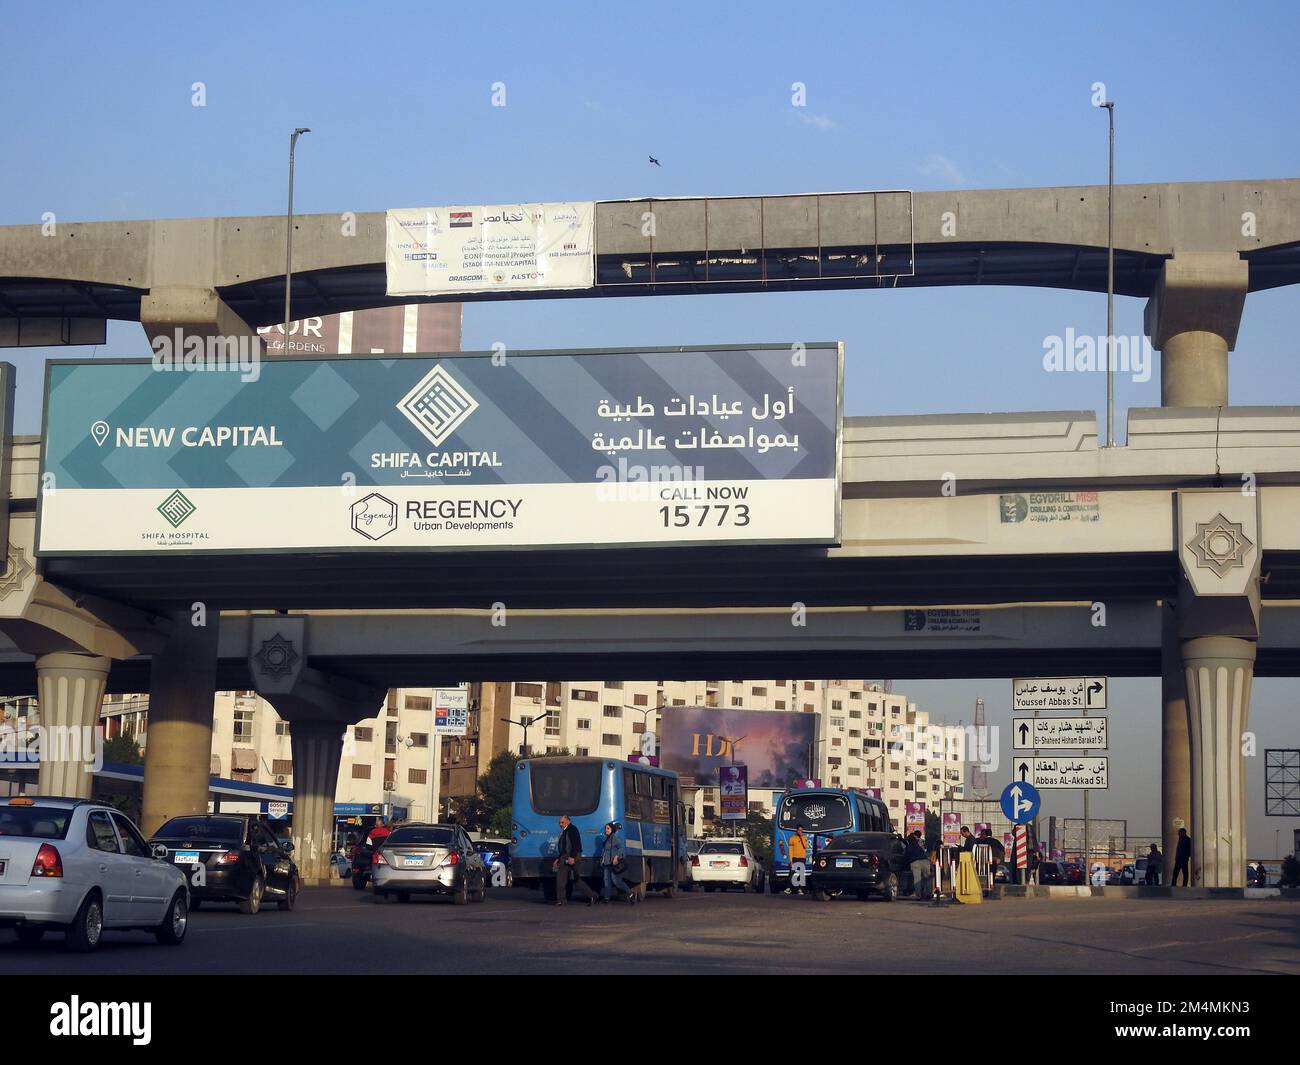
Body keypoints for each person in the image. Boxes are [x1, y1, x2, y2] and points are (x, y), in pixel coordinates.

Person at [553, 814, 596, 906]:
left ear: (568, 821)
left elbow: (576, 845)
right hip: (564, 857)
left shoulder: (573, 829)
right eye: (559, 822)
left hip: (573, 856)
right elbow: (563, 847)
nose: (560, 824)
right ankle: (561, 900)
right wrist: (558, 858)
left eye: (562, 822)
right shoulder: (564, 832)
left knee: (575, 879)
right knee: (560, 878)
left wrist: (572, 857)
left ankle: (592, 896)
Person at [598, 821, 635, 904]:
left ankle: (630, 893)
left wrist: (617, 857)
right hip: (606, 864)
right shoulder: (606, 839)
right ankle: (606, 898)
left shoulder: (615, 839)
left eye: (608, 828)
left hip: (614, 864)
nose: (606, 830)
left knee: (616, 881)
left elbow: (621, 848)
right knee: (606, 881)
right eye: (605, 828)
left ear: (612, 830)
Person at [904, 830, 930, 900]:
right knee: (927, 878)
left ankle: (918, 895)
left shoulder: (909, 847)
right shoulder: (920, 843)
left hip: (915, 862)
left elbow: (906, 857)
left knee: (917, 879)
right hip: (925, 861)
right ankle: (928, 894)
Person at [787, 826, 809, 894]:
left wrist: (802, 838)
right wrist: (791, 860)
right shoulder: (792, 838)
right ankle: (791, 889)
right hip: (795, 858)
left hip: (802, 858)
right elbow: (790, 850)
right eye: (799, 830)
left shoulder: (804, 837)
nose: (800, 832)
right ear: (796, 830)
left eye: (802, 830)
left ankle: (800, 889)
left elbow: (806, 846)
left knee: (801, 874)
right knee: (793, 874)